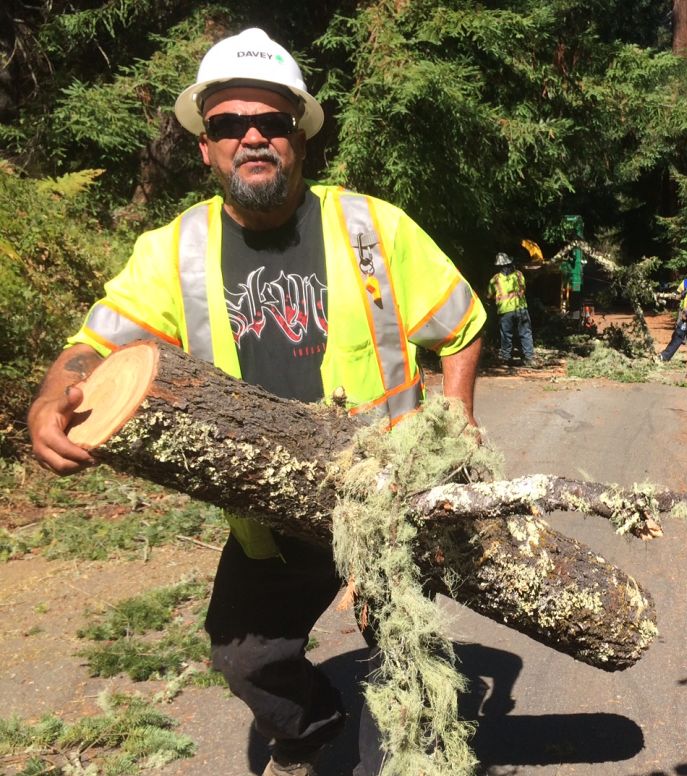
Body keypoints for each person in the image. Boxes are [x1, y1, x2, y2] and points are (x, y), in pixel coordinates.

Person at [25, 28, 486, 776]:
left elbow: (460, 323)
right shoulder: (173, 252)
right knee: (244, 655)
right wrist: (51, 398)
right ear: (205, 146)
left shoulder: (372, 229)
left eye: (272, 120)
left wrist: (458, 417)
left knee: (408, 672)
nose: (252, 136)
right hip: (269, 514)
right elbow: (93, 348)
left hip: (388, 504)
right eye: (230, 124)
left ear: (300, 137)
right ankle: (309, 731)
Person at [487, 251, 535, 366]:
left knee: (506, 335)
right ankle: (529, 358)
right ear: (510, 263)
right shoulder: (519, 275)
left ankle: (506, 358)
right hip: (521, 309)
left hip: (505, 311)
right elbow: (523, 289)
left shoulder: (495, 279)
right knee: (525, 333)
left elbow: (489, 296)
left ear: (498, 266)